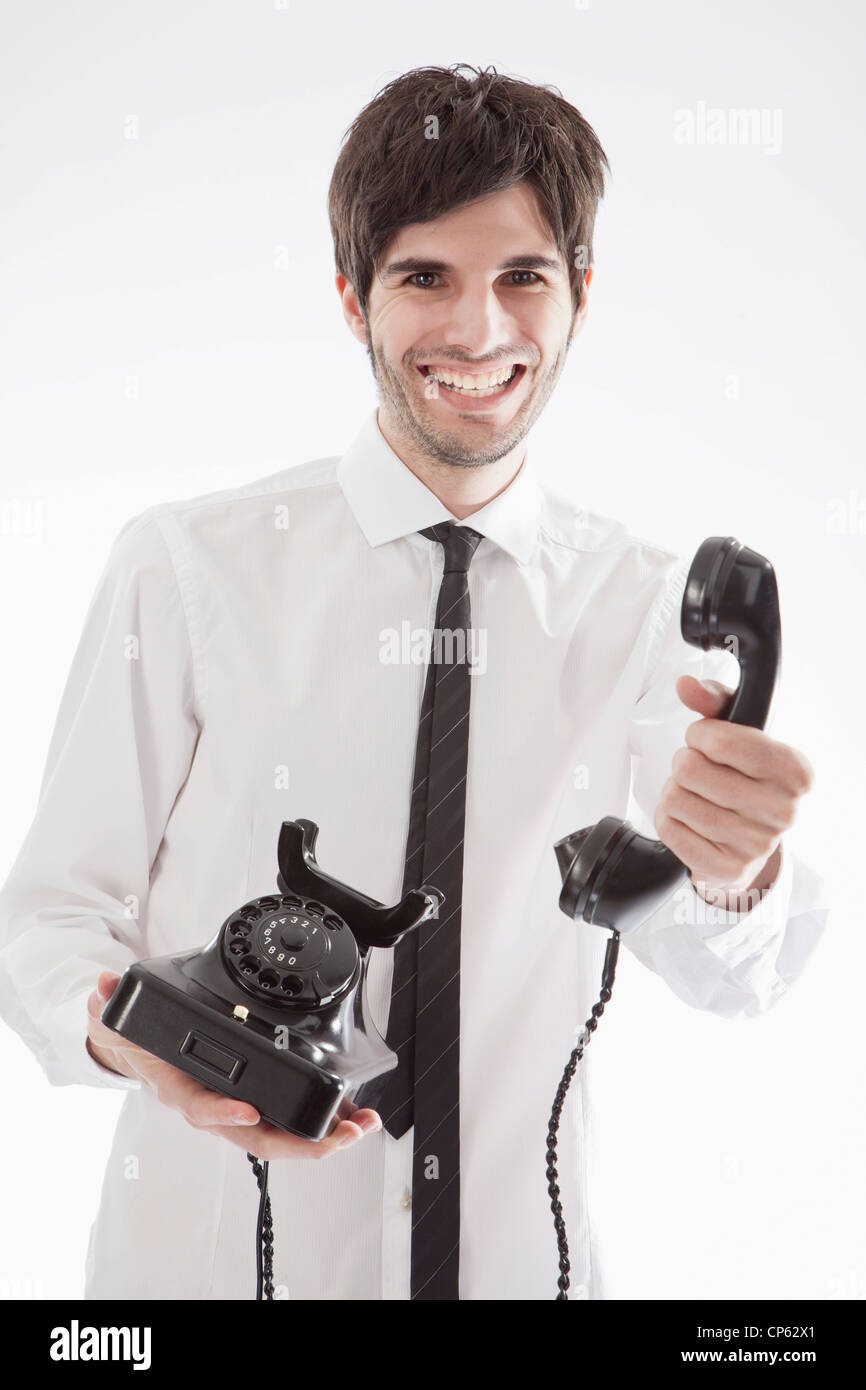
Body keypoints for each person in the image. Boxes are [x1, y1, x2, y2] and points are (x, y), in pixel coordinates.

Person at [0, 63, 827, 1301]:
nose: (478, 332)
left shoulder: (651, 611)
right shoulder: (185, 568)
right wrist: (136, 1043)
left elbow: (735, 978)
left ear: (580, 297)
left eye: (522, 278)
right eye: (422, 277)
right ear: (352, 299)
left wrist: (737, 870)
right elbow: (48, 923)